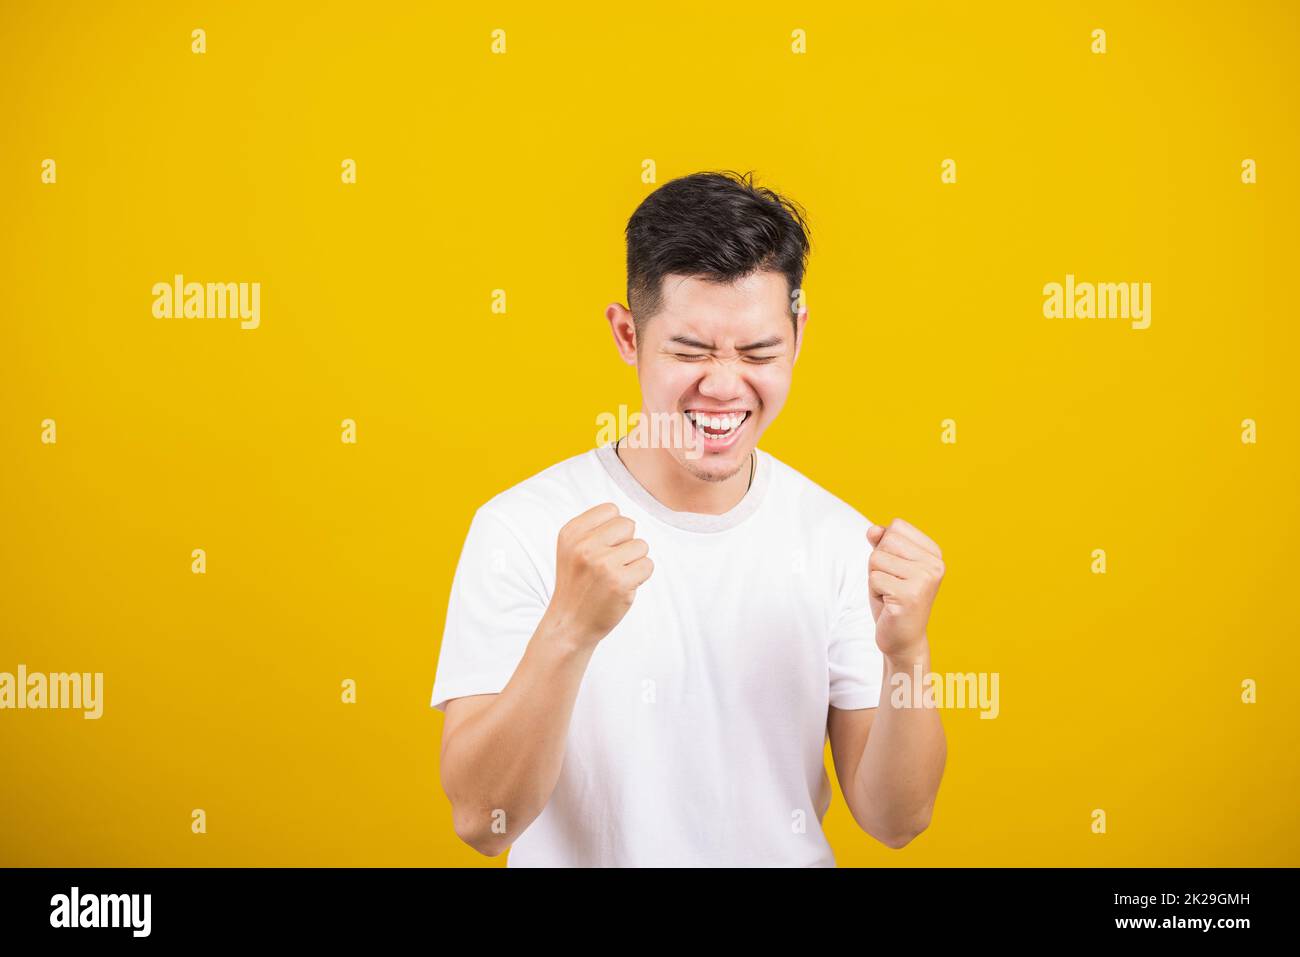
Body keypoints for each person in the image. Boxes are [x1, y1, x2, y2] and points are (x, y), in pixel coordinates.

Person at [430, 170, 947, 866]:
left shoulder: (838, 539)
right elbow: (482, 819)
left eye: (759, 351)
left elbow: (896, 817)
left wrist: (908, 653)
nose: (726, 384)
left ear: (798, 334)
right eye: (691, 350)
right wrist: (568, 629)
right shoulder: (522, 528)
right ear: (627, 335)